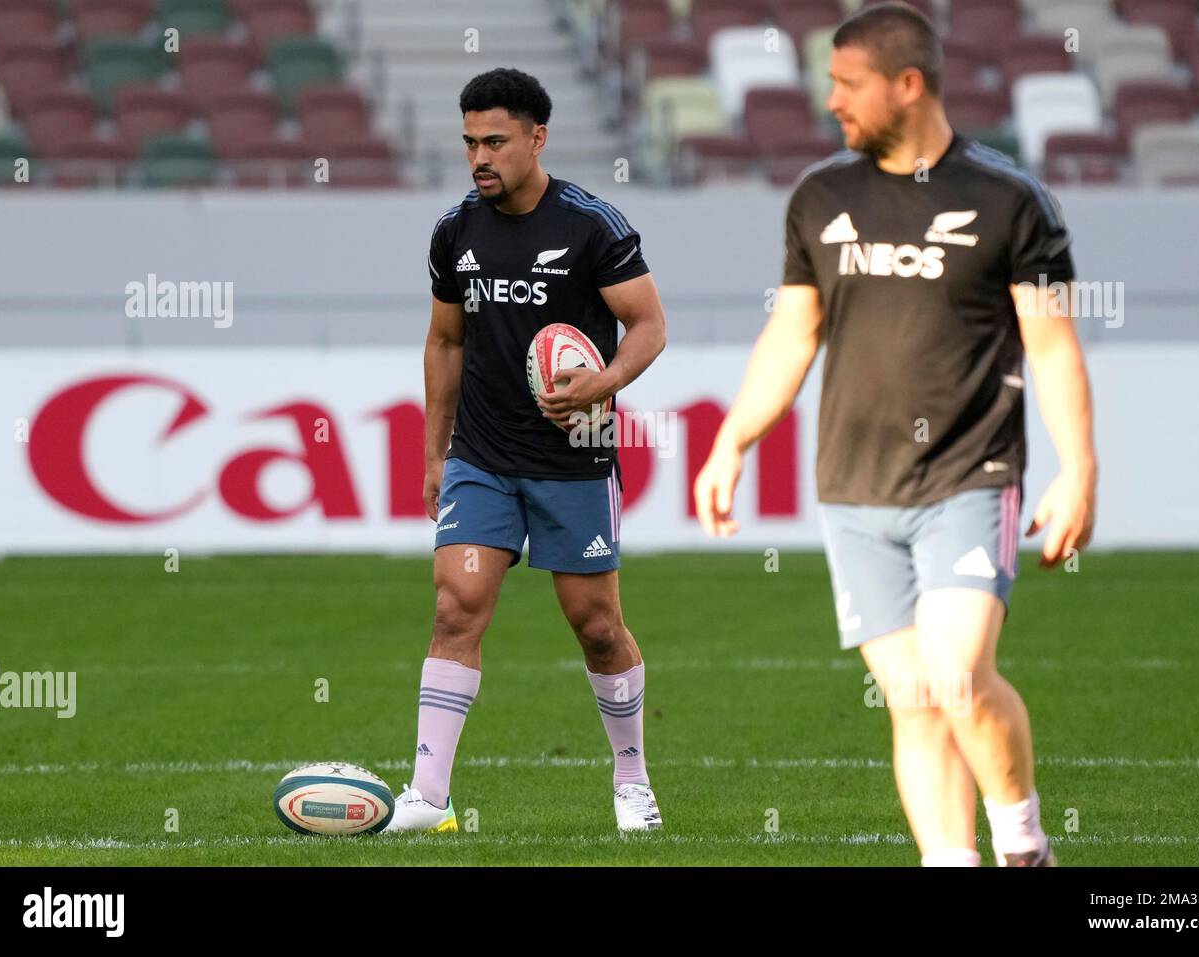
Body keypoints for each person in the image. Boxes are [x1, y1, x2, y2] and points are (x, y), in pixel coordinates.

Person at [694, 3, 1097, 866]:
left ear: (907, 85)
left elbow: (1053, 343)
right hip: (852, 487)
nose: (831, 101)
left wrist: (1079, 471)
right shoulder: (819, 197)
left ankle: (1023, 844)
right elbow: (793, 335)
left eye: (848, 84)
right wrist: (734, 439)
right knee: (913, 698)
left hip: (970, 473)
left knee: (957, 676)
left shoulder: (1011, 200)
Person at [384, 68, 668, 833]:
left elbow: (648, 325)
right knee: (456, 607)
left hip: (574, 455)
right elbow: (445, 341)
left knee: (597, 625)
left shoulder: (590, 224)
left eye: (496, 141)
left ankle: (632, 778)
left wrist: (601, 383)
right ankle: (429, 797)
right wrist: (435, 452)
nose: (480, 155)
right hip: (481, 453)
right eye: (470, 141)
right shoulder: (455, 231)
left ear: (537, 139)